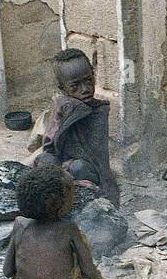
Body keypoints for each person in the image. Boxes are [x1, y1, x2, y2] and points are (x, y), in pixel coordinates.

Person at [3, 166, 107, 279]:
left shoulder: (19, 225)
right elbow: (88, 271)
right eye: (71, 191)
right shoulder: (68, 229)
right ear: (57, 201)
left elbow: (7, 270)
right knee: (83, 265)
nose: (75, 195)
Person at [33, 49, 120, 205]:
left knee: (79, 168)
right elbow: (49, 146)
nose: (85, 89)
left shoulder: (98, 111)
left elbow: (98, 162)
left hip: (88, 172)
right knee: (44, 161)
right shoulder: (63, 107)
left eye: (88, 81)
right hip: (63, 166)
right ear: (62, 88)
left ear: (94, 76)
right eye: (75, 86)